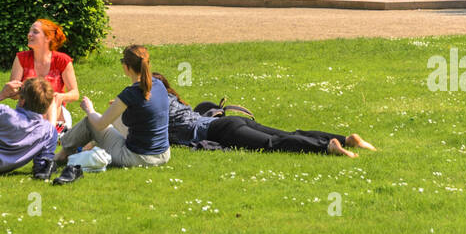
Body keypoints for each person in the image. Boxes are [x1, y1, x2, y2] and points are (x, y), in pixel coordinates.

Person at [154, 73, 376, 157]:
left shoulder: (159, 109)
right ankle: (347, 139)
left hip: (223, 129)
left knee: (273, 143)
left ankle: (327, 148)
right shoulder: (174, 101)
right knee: (288, 133)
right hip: (231, 121)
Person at [56, 45, 169, 169]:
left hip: (137, 157)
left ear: (127, 67)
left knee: (90, 122)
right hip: (163, 154)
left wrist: (89, 109)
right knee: (116, 117)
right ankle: (88, 145)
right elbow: (147, 109)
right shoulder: (159, 84)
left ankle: (62, 154)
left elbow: (99, 124)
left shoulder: (130, 93)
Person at [8, 19, 79, 131]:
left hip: (55, 111)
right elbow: (13, 94)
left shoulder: (62, 60)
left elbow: (75, 93)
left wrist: (61, 96)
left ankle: (52, 130)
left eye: (35, 32)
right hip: (27, 111)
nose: (29, 34)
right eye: (30, 31)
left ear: (48, 37)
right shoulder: (21, 58)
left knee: (51, 101)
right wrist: (23, 92)